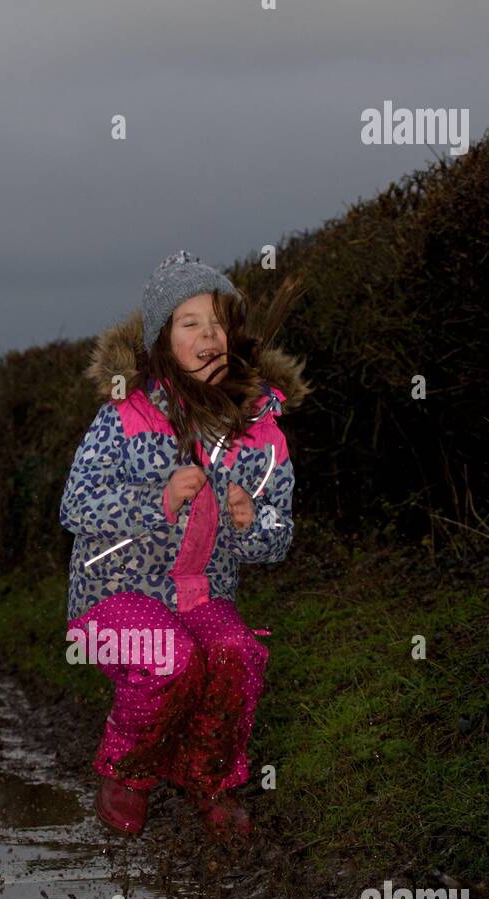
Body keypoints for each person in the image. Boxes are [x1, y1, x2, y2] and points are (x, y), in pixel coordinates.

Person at [59, 250, 310, 841]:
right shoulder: (126, 415)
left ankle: (208, 779)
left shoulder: (260, 432)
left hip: (202, 595)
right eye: (189, 322)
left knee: (236, 655)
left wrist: (252, 524)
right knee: (168, 658)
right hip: (112, 595)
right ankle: (127, 771)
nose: (208, 334)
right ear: (162, 340)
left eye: (219, 322)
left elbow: (279, 539)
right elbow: (75, 505)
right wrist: (158, 502)